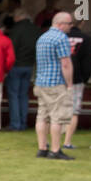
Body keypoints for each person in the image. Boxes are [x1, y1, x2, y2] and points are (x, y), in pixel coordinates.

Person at [34, 11, 75, 160]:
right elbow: (65, 63)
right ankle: (56, 150)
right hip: (56, 83)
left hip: (41, 82)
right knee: (57, 118)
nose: (71, 26)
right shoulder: (61, 38)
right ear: (60, 24)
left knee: (42, 117)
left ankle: (42, 147)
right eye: (69, 23)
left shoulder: (42, 38)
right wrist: (69, 84)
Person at [6, 8, 40, 130]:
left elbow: (11, 49)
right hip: (29, 65)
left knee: (14, 95)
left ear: (17, 17)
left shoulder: (16, 30)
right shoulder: (36, 29)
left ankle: (16, 124)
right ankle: (23, 123)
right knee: (24, 95)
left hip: (16, 66)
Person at [61, 22, 91, 150]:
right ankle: (67, 142)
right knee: (74, 111)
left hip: (59, 78)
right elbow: (88, 62)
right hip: (77, 78)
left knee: (57, 109)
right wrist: (84, 78)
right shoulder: (86, 38)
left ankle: (54, 139)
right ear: (82, 23)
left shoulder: (60, 37)